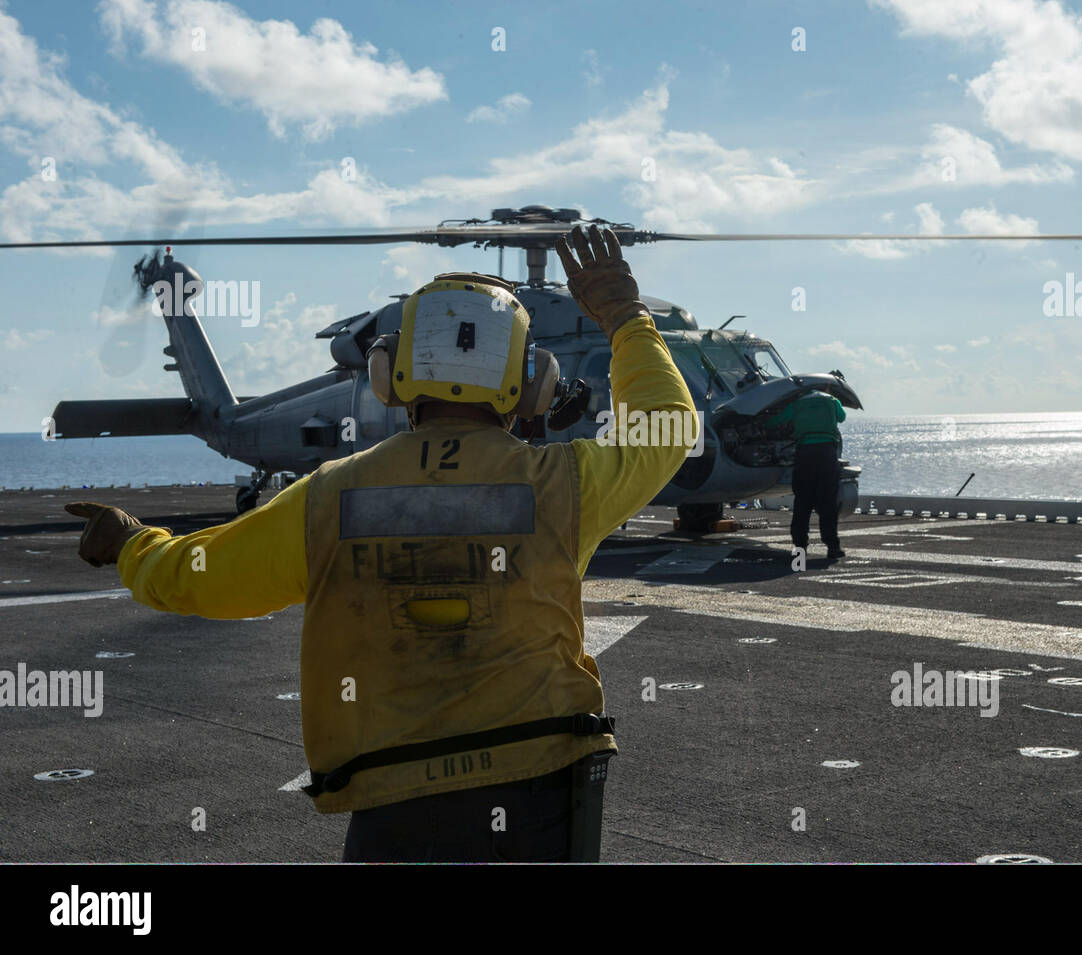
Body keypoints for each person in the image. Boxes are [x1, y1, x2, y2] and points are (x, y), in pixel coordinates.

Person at [64, 226, 695, 862]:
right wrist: (625, 317)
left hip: (392, 801)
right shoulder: (565, 483)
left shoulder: (329, 496)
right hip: (537, 790)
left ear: (388, 373)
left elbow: (197, 578)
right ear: (533, 381)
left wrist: (130, 543)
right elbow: (665, 430)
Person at [770, 391, 846, 560]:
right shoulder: (832, 400)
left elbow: (776, 421)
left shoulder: (797, 403)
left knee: (803, 503)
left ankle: (800, 548)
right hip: (827, 453)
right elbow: (842, 417)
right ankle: (833, 547)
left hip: (805, 453)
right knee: (828, 503)